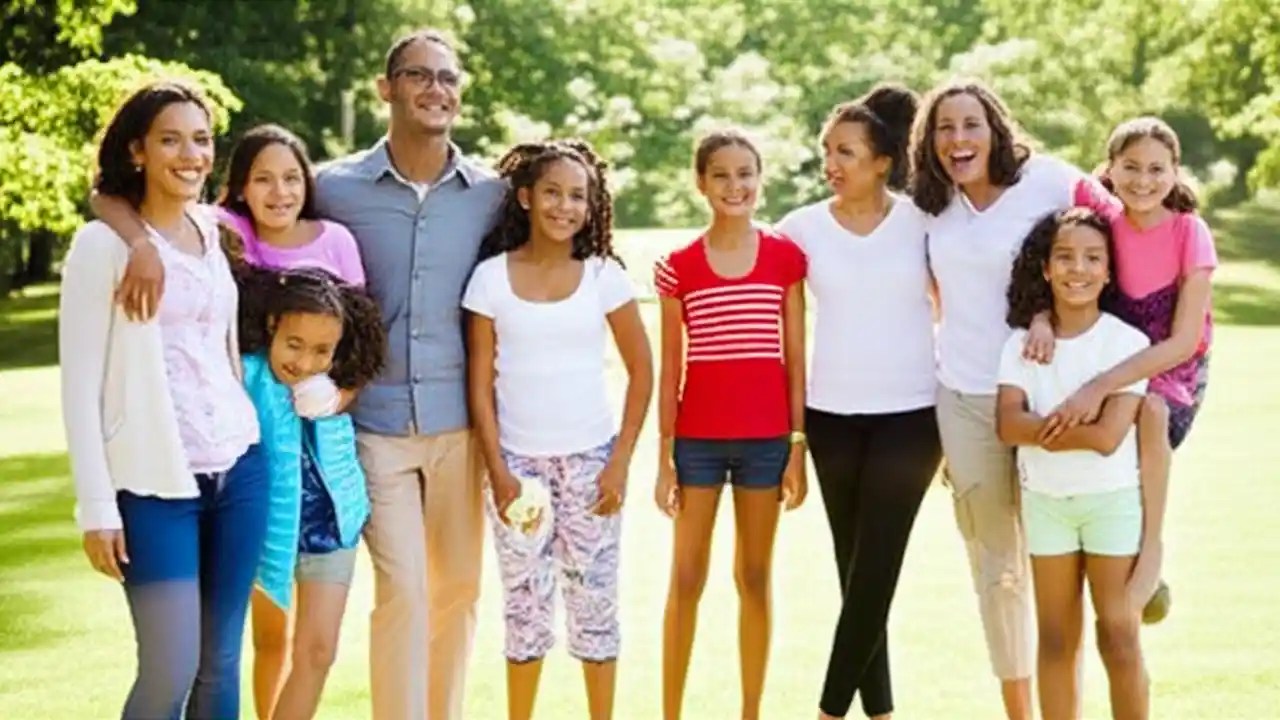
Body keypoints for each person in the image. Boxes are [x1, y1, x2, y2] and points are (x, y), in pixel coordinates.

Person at [91, 122, 371, 718]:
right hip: (253, 469)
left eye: (292, 177)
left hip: (325, 473)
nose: (279, 191)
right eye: (262, 179)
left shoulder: (336, 241)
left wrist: (336, 395)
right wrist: (138, 245)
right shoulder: (220, 232)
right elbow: (108, 197)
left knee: (294, 648)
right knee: (245, 646)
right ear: (239, 187)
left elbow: (363, 345)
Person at [60, 80, 267, 719]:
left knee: (220, 666)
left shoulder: (212, 230)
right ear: (138, 151)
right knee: (170, 667)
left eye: (201, 140)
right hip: (153, 486)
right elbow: (79, 382)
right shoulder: (103, 246)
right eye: (170, 140)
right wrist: (96, 504)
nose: (191, 154)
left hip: (240, 466)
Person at [909, 78, 1087, 720]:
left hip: (1045, 396)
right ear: (928, 143)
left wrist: (1049, 315)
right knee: (995, 565)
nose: (959, 139)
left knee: (1060, 556)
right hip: (963, 400)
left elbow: (1115, 224)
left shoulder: (1050, 184)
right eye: (944, 128)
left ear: (996, 130)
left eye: (971, 124)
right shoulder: (928, 208)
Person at [463, 139, 653, 720]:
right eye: (552, 192)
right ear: (525, 198)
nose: (565, 206)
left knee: (595, 605)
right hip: (518, 469)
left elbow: (644, 371)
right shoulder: (490, 280)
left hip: (591, 464)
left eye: (578, 196)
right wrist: (498, 470)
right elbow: (479, 387)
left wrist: (619, 461)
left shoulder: (603, 278)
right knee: (524, 606)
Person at [777, 84, 942, 720]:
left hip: (912, 418)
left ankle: (827, 711)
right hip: (831, 421)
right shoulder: (800, 230)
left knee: (876, 568)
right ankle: (880, 712)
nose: (832, 163)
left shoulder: (923, 222)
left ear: (882, 161)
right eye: (828, 151)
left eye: (847, 151)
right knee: (857, 578)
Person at [1027, 117, 1217, 625]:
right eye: (1130, 167)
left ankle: (1151, 549)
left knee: (1149, 413)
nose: (1143, 180)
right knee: (1088, 437)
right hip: (1107, 355)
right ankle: (1087, 548)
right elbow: (1054, 271)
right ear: (1109, 170)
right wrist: (1042, 317)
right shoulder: (1100, 221)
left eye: (1157, 169)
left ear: (1175, 173)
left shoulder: (1189, 232)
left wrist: (1104, 384)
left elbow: (1183, 341)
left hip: (1172, 368)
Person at [654, 129, 808, 720]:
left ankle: (751, 711)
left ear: (759, 180)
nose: (734, 185)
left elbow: (795, 359)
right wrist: (664, 456)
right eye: (721, 174)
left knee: (754, 576)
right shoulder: (678, 268)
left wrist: (798, 446)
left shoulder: (784, 259)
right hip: (696, 443)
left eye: (746, 173)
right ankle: (670, 711)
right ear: (701, 183)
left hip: (768, 443)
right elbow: (672, 369)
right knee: (686, 577)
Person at [997, 208, 1152, 720]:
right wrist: (1064, 431)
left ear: (1109, 272)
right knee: (1057, 639)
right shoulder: (1020, 346)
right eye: (1064, 257)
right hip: (1046, 504)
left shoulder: (1127, 345)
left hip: (1110, 505)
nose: (1077, 269)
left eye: (1092, 258)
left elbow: (1109, 438)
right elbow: (1006, 426)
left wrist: (1041, 428)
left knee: (1119, 635)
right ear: (1045, 268)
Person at [234, 264, 386, 720]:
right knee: (269, 643)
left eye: (322, 350)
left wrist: (336, 390)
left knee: (318, 652)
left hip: (332, 525)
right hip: (263, 529)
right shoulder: (245, 375)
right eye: (294, 345)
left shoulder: (333, 384)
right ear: (272, 328)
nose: (304, 363)